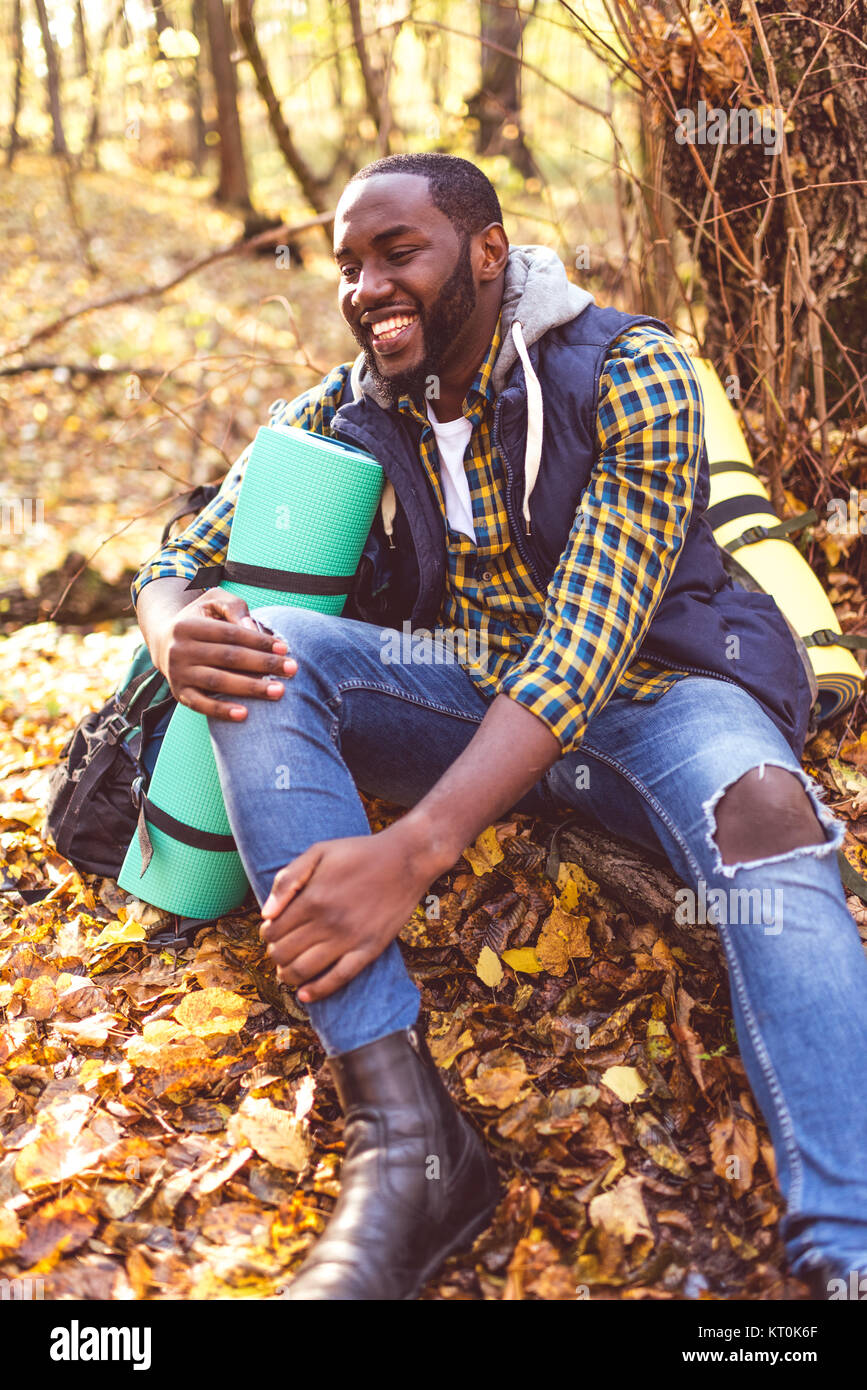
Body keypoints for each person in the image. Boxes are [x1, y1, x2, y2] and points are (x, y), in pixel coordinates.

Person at [131, 153, 867, 1301]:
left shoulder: (636, 370)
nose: (366, 287)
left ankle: (847, 1244)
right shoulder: (351, 407)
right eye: (347, 266)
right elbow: (180, 552)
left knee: (773, 830)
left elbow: (587, 642)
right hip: (461, 699)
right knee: (262, 647)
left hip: (664, 698)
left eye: (397, 254)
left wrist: (414, 852)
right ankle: (412, 1141)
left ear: (486, 251)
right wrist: (174, 626)